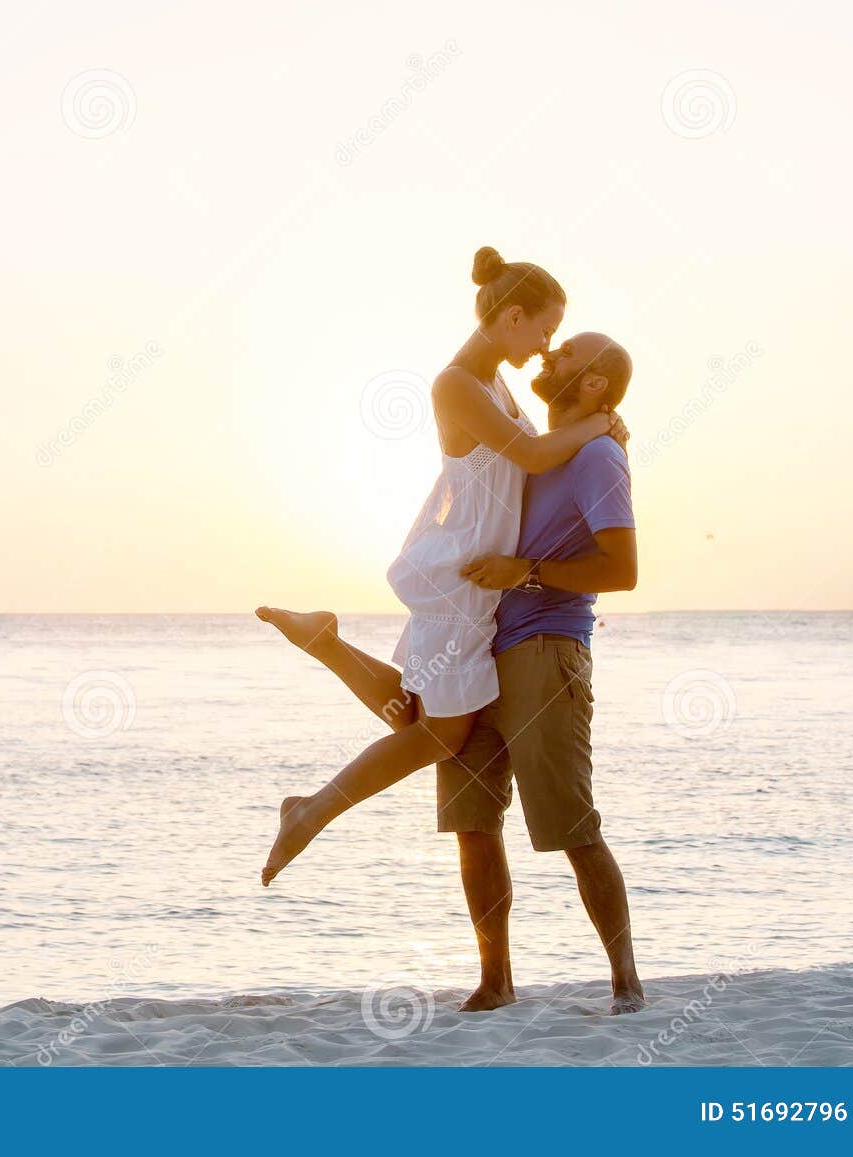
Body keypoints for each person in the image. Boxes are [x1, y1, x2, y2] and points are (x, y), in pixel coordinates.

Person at [262, 332, 645, 1014]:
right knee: (472, 819)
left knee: (572, 827)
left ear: (593, 384)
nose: (549, 356)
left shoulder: (597, 455)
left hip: (544, 647)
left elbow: (622, 570)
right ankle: (495, 981)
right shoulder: (541, 445)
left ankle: (626, 983)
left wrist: (523, 571)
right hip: (483, 634)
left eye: (566, 353)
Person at [256, 247, 626, 886]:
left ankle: (325, 642)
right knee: (440, 736)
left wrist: (599, 430)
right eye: (545, 330)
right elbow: (535, 456)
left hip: (481, 580)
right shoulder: (454, 383)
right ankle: (309, 811)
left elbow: (537, 459)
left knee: (415, 717)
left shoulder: (496, 382)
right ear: (513, 316)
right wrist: (601, 424)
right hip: (461, 572)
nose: (546, 346)